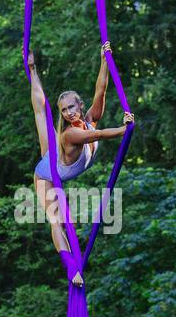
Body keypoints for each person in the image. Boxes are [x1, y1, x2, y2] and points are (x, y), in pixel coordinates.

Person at [28, 42, 133, 268]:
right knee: (57, 221)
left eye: (71, 107)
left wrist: (105, 61)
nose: (68, 113)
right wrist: (125, 129)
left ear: (80, 105)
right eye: (64, 110)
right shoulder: (70, 134)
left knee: (40, 111)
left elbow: (100, 91)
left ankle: (32, 70)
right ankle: (70, 268)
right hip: (46, 175)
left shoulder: (88, 120)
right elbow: (102, 134)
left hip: (56, 158)